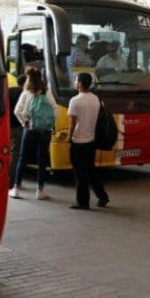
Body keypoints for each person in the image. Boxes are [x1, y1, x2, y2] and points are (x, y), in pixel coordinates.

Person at [10, 67, 57, 200]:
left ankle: (16, 189)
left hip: (29, 130)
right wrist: (49, 123)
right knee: (42, 160)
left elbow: (16, 111)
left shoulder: (26, 92)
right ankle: (39, 191)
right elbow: (54, 109)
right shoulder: (46, 92)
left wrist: (25, 122)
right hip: (44, 131)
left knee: (22, 159)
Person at [67, 72, 110, 210]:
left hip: (78, 142)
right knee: (91, 170)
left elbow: (72, 124)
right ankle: (103, 197)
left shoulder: (75, 100)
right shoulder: (96, 99)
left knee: (80, 173)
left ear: (80, 83)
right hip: (91, 140)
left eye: (75, 80)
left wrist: (69, 138)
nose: (74, 82)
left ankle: (83, 202)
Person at [8, 74, 28, 187]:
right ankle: (12, 181)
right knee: (16, 154)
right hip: (19, 127)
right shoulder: (25, 94)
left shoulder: (8, 91)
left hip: (6, 126)